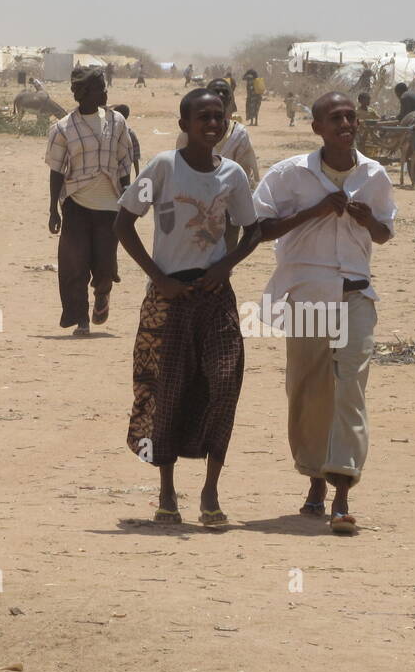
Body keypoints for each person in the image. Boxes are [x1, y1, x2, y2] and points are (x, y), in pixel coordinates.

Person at [115, 88, 260, 528]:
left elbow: (252, 230)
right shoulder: (161, 168)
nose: (212, 125)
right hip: (168, 297)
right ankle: (166, 493)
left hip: (215, 298)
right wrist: (158, 277)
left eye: (218, 117)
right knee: (167, 390)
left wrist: (226, 267)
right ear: (185, 124)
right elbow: (124, 222)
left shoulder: (233, 175)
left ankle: (211, 491)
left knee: (223, 384)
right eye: (203, 117)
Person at [253, 91, 395, 535]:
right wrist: (315, 212)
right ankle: (314, 477)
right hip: (309, 295)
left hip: (355, 294)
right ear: (316, 127)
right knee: (308, 390)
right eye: (336, 118)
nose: (346, 124)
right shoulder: (289, 175)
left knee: (349, 389)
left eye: (351, 117)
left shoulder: (373, 174)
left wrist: (367, 220)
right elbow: (259, 229)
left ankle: (342, 492)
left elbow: (385, 232)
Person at [44, 67, 133, 335]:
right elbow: (57, 170)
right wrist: (53, 210)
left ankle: (102, 294)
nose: (105, 92)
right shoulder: (62, 128)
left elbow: (124, 164)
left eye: (104, 86)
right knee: (75, 265)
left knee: (105, 265)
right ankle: (81, 319)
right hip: (76, 205)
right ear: (84, 93)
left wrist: (129, 203)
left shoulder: (117, 122)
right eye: (99, 87)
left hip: (110, 206)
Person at [176, 79, 258, 246]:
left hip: (227, 206)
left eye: (225, 92)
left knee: (224, 256)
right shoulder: (189, 131)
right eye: (216, 91)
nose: (220, 95)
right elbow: (180, 166)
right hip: (194, 203)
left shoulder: (238, 133)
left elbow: (244, 171)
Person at [112, 104, 140, 174]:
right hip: (123, 170)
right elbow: (135, 156)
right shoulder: (131, 133)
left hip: (123, 171)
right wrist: (137, 173)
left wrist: (137, 174)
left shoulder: (110, 133)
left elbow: (135, 156)